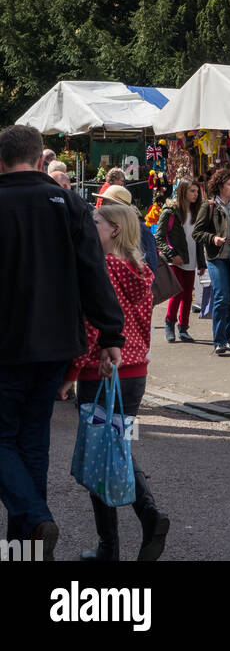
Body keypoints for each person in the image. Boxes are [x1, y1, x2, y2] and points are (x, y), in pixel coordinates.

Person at [0, 124, 124, 560]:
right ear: (39, 160)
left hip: (7, 344)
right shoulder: (69, 204)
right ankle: (26, 549)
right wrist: (110, 333)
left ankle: (34, 520)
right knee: (32, 441)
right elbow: (94, 271)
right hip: (56, 342)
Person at [60, 201, 169, 562]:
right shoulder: (138, 268)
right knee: (116, 448)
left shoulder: (104, 267)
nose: (90, 226)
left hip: (102, 371)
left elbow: (93, 327)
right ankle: (145, 520)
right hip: (135, 372)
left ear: (114, 230)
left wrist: (72, 373)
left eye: (96, 221)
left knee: (100, 454)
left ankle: (119, 539)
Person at [192, 168, 230, 356]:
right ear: (220, 187)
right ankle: (218, 341)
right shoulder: (208, 206)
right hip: (216, 258)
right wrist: (213, 239)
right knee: (221, 296)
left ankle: (226, 339)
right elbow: (197, 233)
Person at [155, 177, 206, 343]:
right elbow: (160, 237)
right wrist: (171, 254)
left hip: (191, 260)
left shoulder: (197, 211)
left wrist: (201, 262)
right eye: (192, 191)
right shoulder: (170, 211)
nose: (195, 194)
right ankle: (169, 322)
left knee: (187, 296)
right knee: (176, 294)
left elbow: (198, 239)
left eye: (197, 191)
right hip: (175, 260)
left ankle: (183, 328)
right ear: (183, 191)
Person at [98, 175, 160, 277]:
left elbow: (150, 268)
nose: (101, 206)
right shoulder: (104, 227)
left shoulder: (140, 229)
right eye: (102, 202)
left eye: (106, 203)